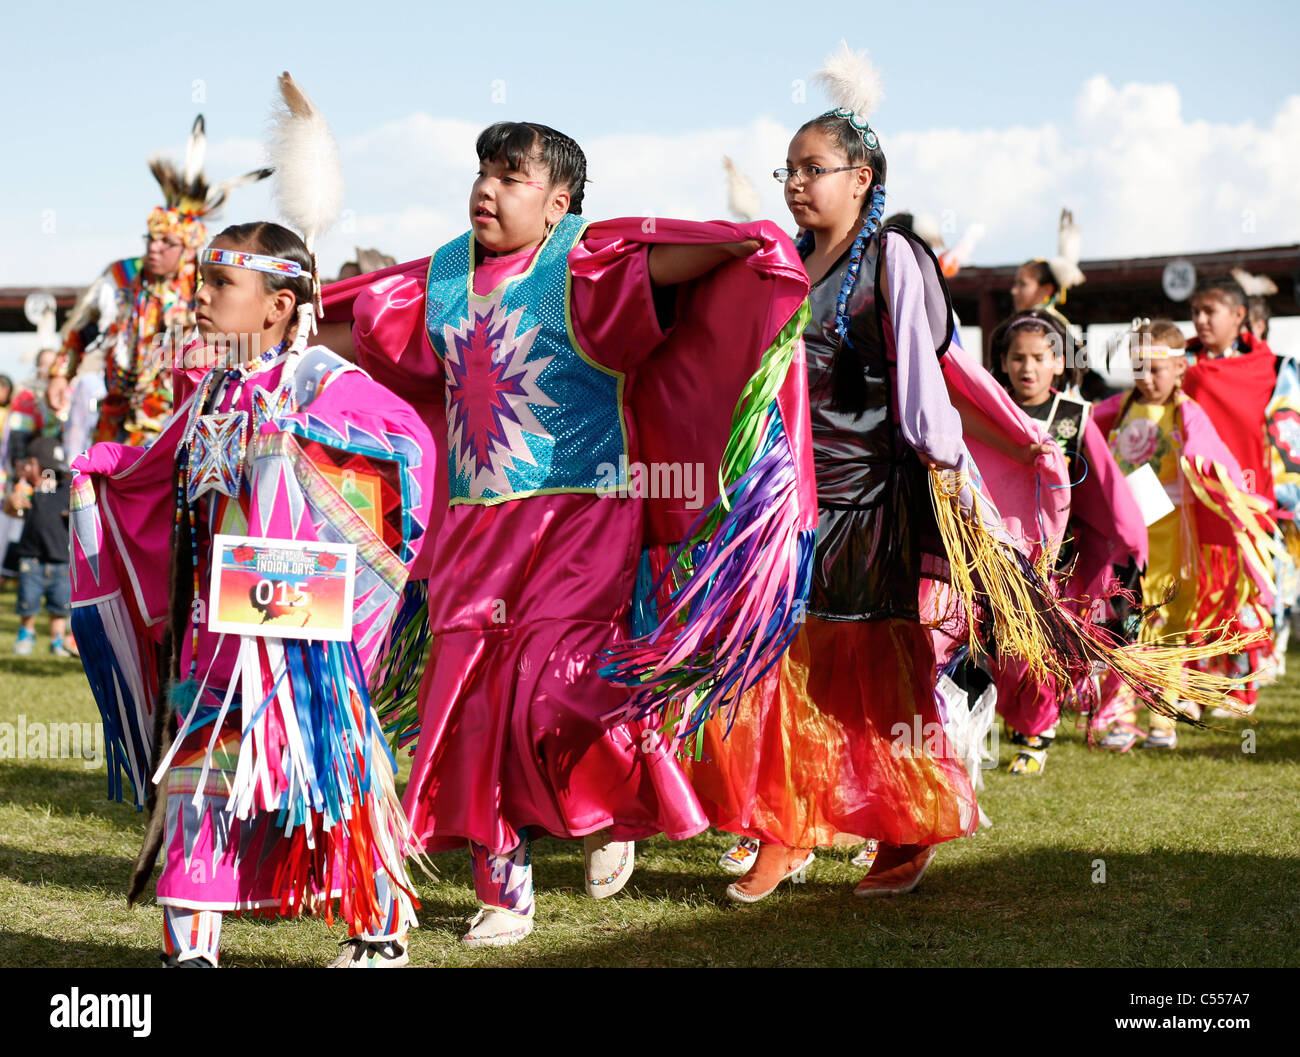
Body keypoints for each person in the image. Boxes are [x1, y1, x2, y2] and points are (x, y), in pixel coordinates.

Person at [325, 119, 817, 947]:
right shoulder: (441, 278)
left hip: (580, 521)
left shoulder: (584, 269)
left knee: (558, 687)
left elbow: (672, 265)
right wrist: (283, 326)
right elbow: (366, 342)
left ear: (558, 203)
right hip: (473, 534)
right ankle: (504, 887)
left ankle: (610, 808)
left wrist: (744, 244)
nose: (487, 187)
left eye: (512, 176)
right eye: (483, 171)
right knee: (470, 707)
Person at [71, 76, 436, 968]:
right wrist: (96, 468)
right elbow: (155, 470)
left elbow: (411, 453)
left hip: (302, 624)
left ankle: (378, 926)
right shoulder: (213, 393)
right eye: (199, 281)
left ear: (278, 303)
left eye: (219, 283)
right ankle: (191, 947)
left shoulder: (321, 382)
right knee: (201, 779)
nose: (200, 297)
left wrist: (310, 434)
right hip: (217, 629)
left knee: (335, 770)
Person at [1093, 322, 1278, 748]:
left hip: (1175, 544)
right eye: (1138, 366)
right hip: (1128, 541)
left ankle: (1164, 718)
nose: (1145, 376)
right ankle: (1121, 717)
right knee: (1128, 626)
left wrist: (1199, 460)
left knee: (1171, 629)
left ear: (1180, 367)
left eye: (1156, 368)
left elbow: (1215, 457)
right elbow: (1081, 427)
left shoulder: (1187, 411)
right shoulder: (1119, 408)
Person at [53, 117, 269, 447]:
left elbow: (243, 339)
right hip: (120, 417)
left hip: (183, 416)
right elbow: (79, 329)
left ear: (187, 247)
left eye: (165, 242)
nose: (154, 247)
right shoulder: (121, 277)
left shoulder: (207, 284)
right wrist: (59, 373)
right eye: (150, 239)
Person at [991, 310, 1145, 772]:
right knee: (1001, 649)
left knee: (1039, 646)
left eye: (1039, 357)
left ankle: (1037, 736)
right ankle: (1017, 725)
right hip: (992, 546)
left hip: (1057, 556)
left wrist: (1127, 546)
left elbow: (1107, 489)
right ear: (1002, 361)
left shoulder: (1074, 417)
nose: (1028, 368)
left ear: (1059, 362)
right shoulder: (987, 409)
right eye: (1017, 358)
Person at [1181, 275, 1291, 714]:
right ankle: (1194, 686)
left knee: (1242, 596)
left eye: (1210, 312)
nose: (1201, 320)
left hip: (1249, 499)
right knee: (1195, 591)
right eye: (1195, 313)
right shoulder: (1181, 361)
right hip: (1194, 499)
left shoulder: (1272, 369)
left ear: (1240, 315)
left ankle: (1241, 689)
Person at [5, 437, 75, 657]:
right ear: (32, 465)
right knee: (29, 600)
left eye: (52, 470)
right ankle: (26, 632)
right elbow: (10, 508)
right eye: (44, 469)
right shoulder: (27, 490)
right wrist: (12, 501)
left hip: (61, 558)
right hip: (31, 558)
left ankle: (57, 639)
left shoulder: (67, 490)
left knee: (60, 604)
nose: (48, 474)